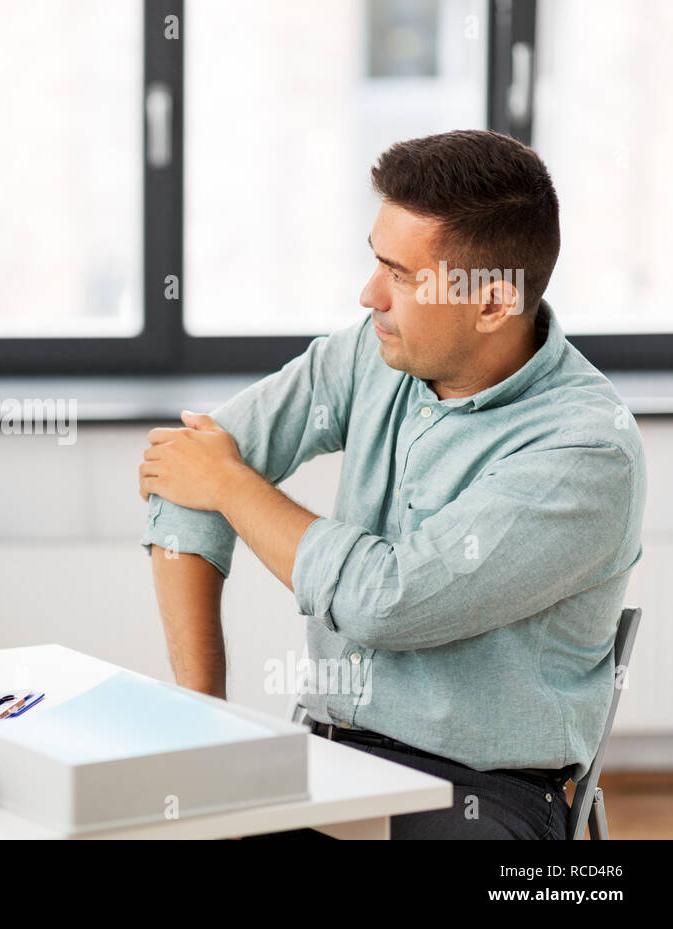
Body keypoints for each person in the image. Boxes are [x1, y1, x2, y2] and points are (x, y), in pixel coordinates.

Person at [138, 130, 646, 839]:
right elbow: (184, 474)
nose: (369, 293)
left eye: (401, 275)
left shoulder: (586, 451)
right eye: (376, 260)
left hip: (481, 792)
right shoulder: (374, 353)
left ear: (493, 303)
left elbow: (388, 601)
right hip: (325, 753)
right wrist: (205, 719)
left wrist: (230, 485)